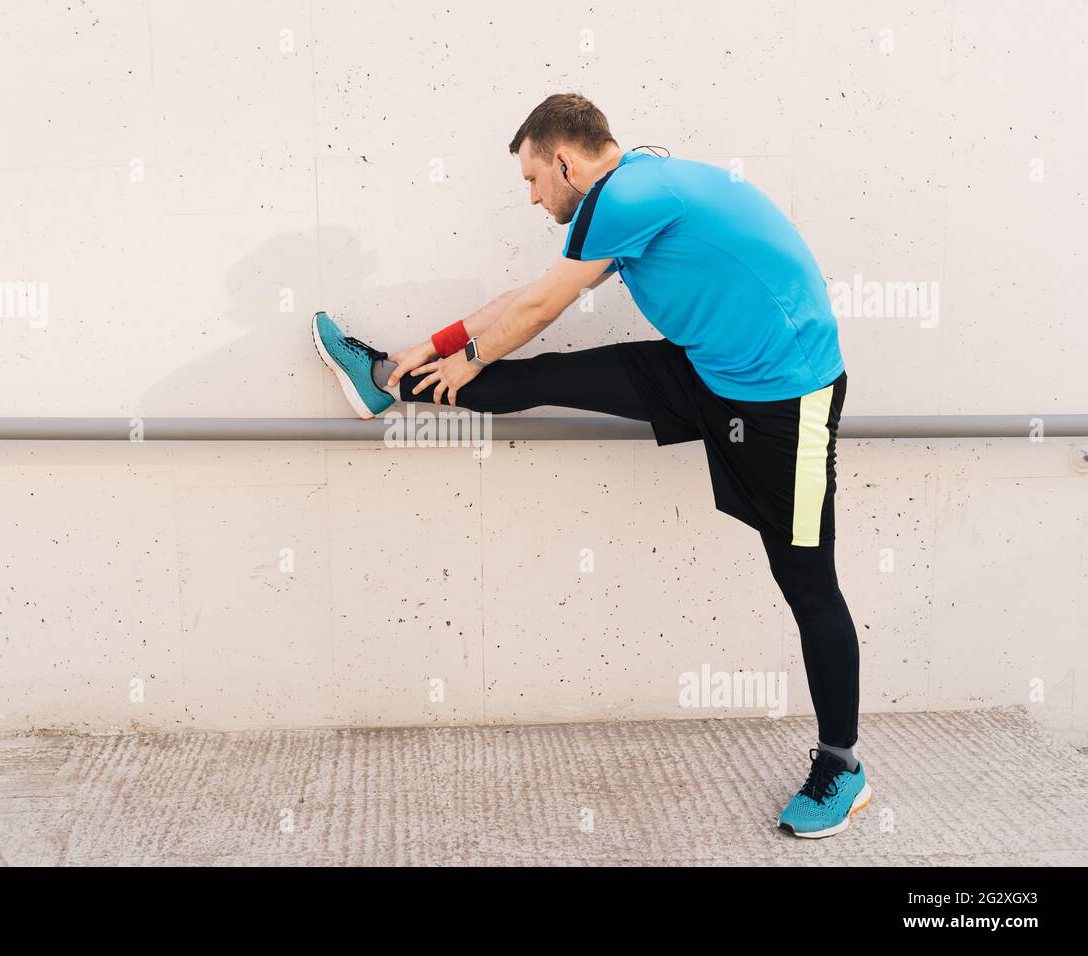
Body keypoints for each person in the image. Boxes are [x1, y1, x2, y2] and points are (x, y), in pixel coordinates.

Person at [311, 92, 869, 838]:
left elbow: (539, 308)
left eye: (534, 181)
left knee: (805, 580)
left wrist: (473, 356)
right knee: (540, 378)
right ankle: (384, 379)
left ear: (565, 161)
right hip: (708, 368)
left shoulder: (631, 194)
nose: (536, 198)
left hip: (781, 395)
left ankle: (843, 766)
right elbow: (531, 297)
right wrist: (434, 349)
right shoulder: (634, 190)